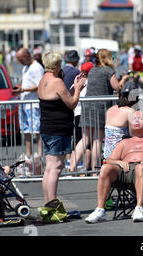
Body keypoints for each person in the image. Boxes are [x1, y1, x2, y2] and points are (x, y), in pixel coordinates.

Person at [85, 110, 143, 223]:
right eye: (134, 119)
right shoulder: (124, 142)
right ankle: (100, 209)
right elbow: (109, 159)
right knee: (106, 168)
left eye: (140, 118)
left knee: (140, 167)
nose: (137, 120)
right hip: (126, 171)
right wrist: (118, 162)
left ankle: (139, 208)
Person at [37, 50, 86, 204]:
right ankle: (52, 203)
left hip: (48, 128)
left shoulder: (44, 79)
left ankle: (48, 203)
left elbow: (63, 98)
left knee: (50, 168)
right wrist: (77, 89)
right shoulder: (56, 81)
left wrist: (75, 87)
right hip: (57, 129)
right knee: (56, 168)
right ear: (57, 65)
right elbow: (72, 103)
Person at [74, 49, 119, 174]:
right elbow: (117, 87)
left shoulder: (92, 70)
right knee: (97, 139)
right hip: (100, 107)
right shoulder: (109, 71)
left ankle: (72, 167)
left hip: (87, 106)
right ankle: (95, 170)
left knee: (85, 139)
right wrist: (124, 80)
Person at [12, 47, 44, 165]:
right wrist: (21, 89)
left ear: (27, 56)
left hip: (34, 104)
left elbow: (39, 85)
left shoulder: (37, 68)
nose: (20, 62)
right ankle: (28, 155)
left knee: (37, 130)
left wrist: (23, 89)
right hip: (24, 103)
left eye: (20, 59)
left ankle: (39, 155)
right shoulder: (25, 68)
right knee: (26, 130)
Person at [69, 61, 93, 173]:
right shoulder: (93, 83)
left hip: (77, 114)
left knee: (76, 142)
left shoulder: (77, 82)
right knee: (89, 143)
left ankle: (72, 168)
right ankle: (86, 168)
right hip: (88, 114)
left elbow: (69, 93)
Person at [103, 81, 138, 159]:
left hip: (107, 154)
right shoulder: (130, 111)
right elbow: (134, 135)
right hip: (120, 155)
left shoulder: (110, 109)